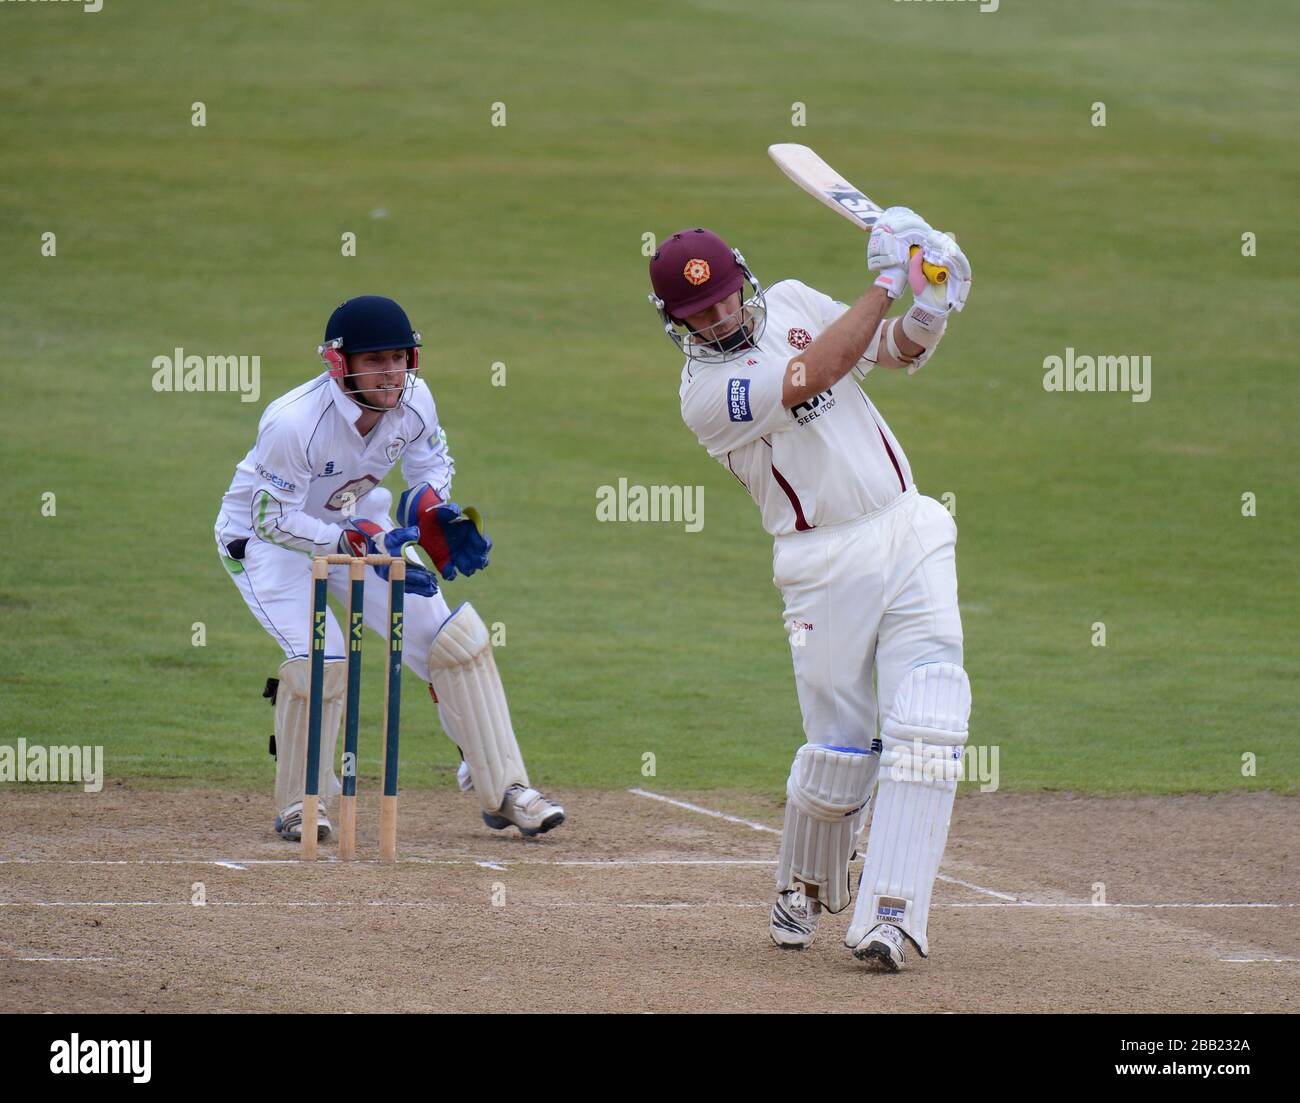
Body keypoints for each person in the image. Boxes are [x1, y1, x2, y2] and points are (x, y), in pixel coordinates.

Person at [649, 215, 972, 971]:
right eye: (700, 311)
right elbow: (817, 372)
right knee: (843, 753)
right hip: (821, 561)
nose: (721, 315)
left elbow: (884, 352)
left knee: (929, 717)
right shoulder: (706, 392)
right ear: (677, 323)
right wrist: (888, 280)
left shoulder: (792, 300)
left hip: (910, 522)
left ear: (745, 281)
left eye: (726, 297)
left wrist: (930, 303)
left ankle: (890, 914)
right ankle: (804, 881)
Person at [215, 295, 564, 845]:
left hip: (358, 523)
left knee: (456, 643)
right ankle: (302, 803)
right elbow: (269, 518)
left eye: (399, 357)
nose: (391, 371)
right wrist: (340, 539)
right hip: (268, 542)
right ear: (340, 363)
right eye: (375, 360)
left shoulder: (416, 399)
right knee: (323, 660)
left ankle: (505, 788)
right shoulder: (294, 423)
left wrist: (433, 511)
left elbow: (430, 461)